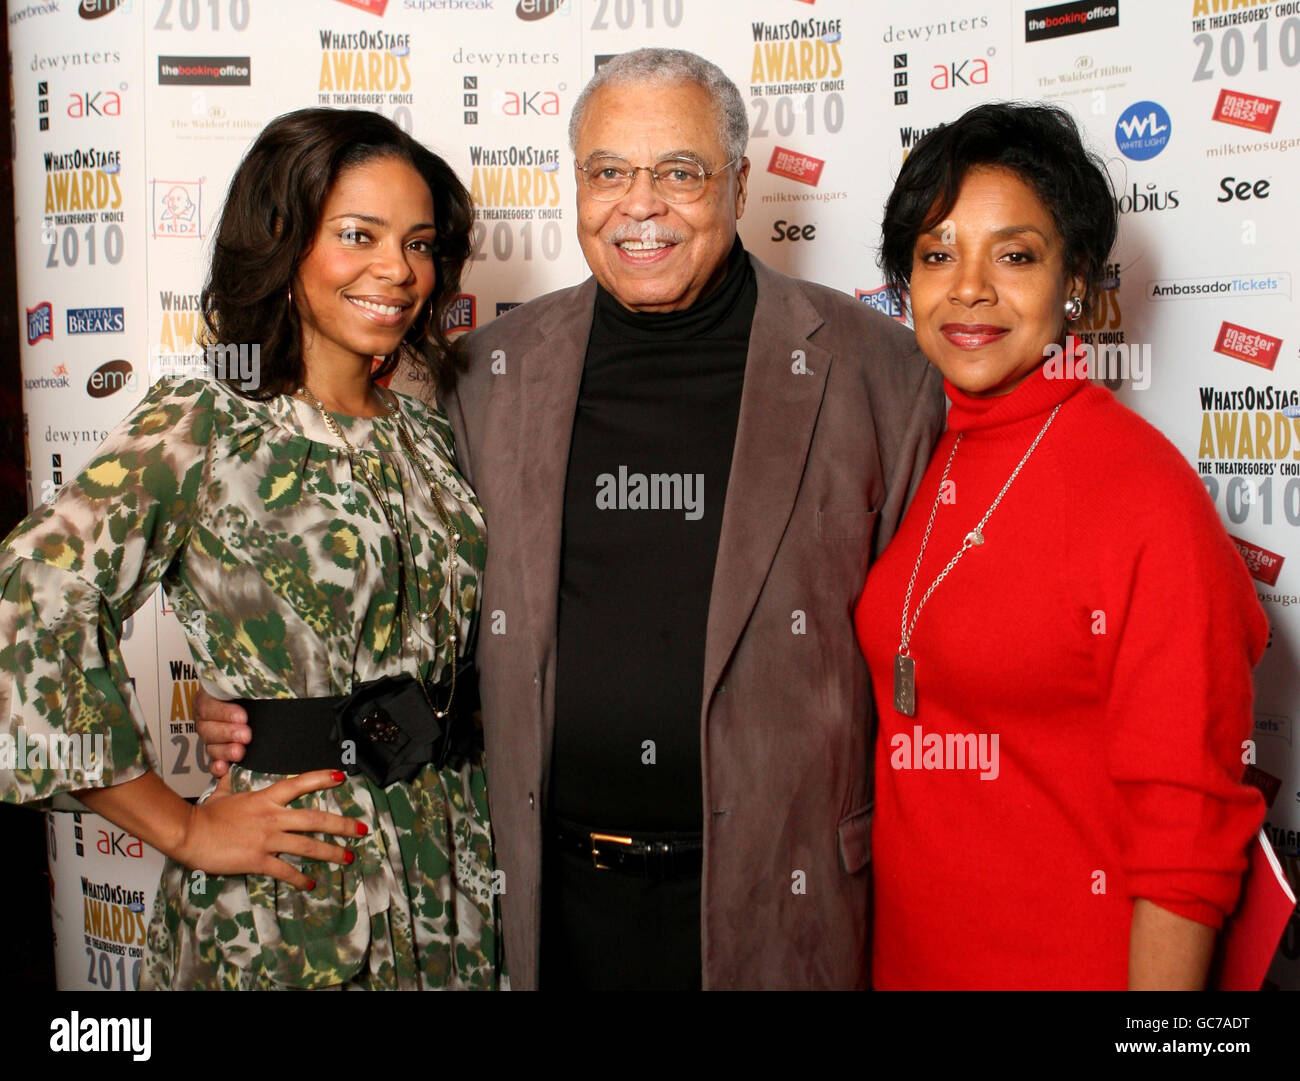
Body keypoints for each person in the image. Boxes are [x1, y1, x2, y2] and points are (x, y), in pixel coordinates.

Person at [199, 49, 945, 990]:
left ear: (741, 182)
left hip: (779, 906)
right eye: (608, 172)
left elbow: (933, 647)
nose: (641, 204)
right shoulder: (485, 374)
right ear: (576, 184)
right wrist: (274, 718)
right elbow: (417, 607)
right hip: (547, 909)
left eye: (679, 171)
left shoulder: (877, 371)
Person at [0, 107, 502, 990]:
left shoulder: (428, 432)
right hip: (295, 894)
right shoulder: (206, 421)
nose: (398, 270)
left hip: (454, 870)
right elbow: (32, 596)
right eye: (358, 235)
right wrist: (184, 827)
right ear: (282, 243)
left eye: (419, 243)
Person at [855, 101, 1267, 990]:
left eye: (1014, 254)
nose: (968, 287)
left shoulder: (1145, 496)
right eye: (936, 255)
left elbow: (1187, 837)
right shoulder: (933, 452)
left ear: (1074, 280)